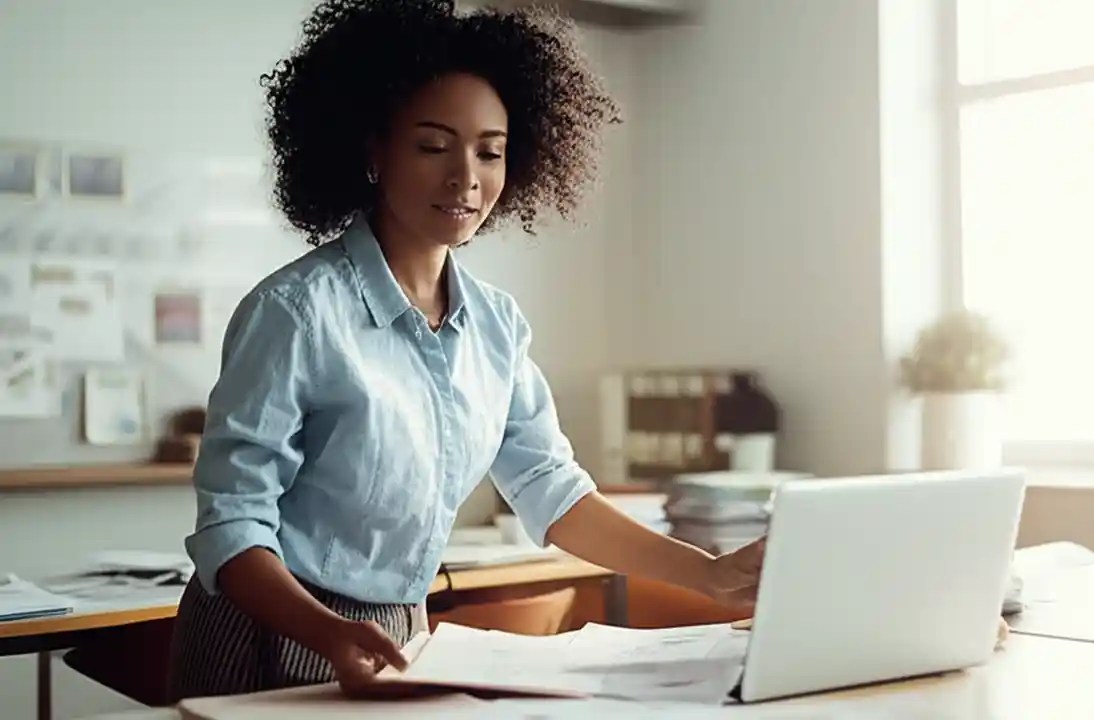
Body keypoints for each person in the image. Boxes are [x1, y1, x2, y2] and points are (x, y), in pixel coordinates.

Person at [168, 0, 764, 701]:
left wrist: (710, 573)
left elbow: (552, 488)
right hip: (273, 625)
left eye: (489, 150)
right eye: (432, 146)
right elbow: (232, 526)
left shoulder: (495, 326)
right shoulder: (294, 313)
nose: (465, 178)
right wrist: (327, 632)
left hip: (397, 625)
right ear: (372, 148)